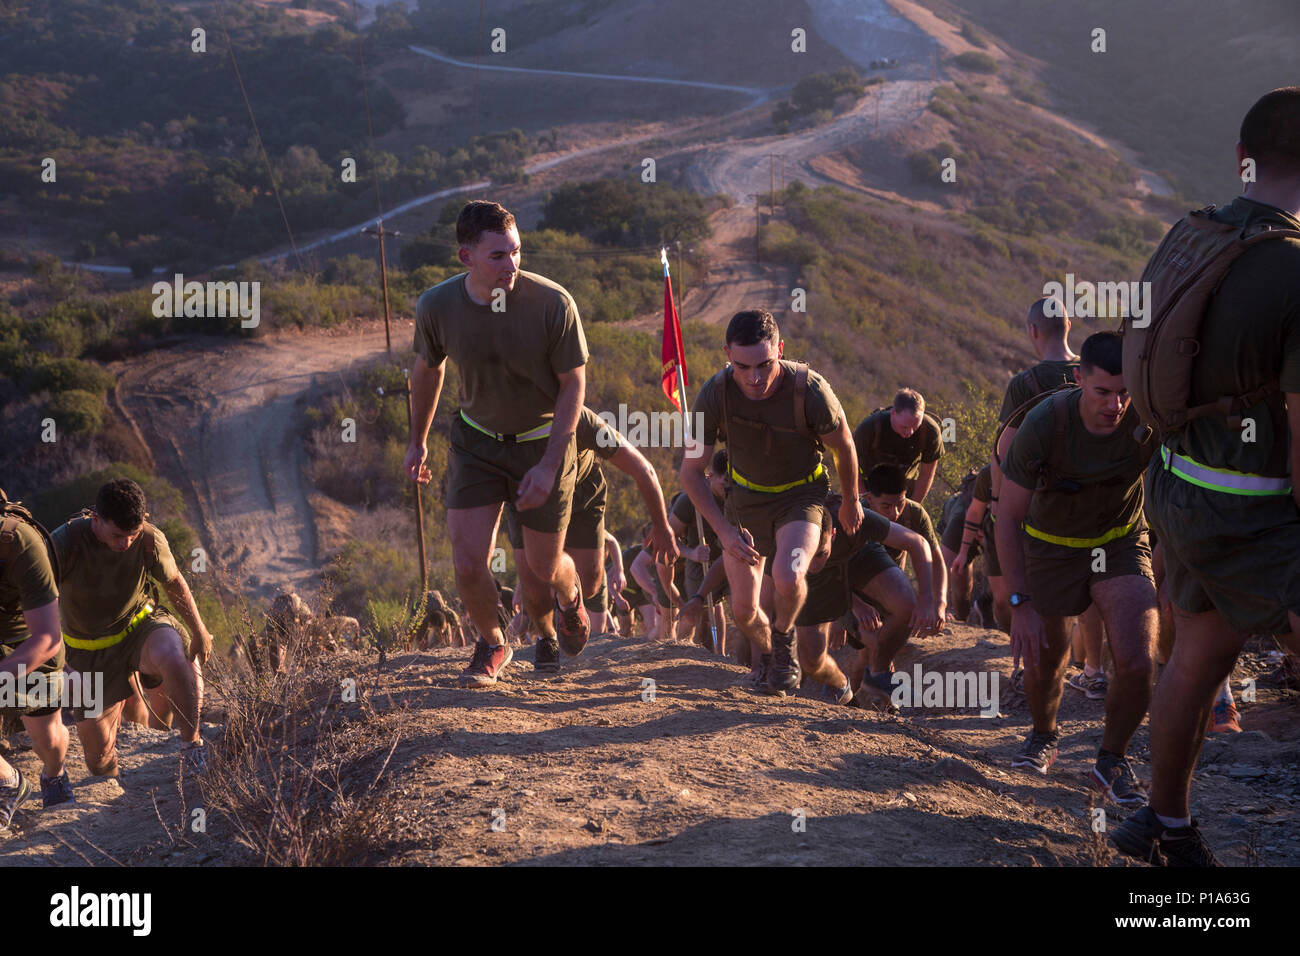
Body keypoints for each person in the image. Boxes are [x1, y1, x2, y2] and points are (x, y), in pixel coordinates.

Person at [1111, 88, 1300, 867]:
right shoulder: (1293, 268)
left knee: (1199, 655)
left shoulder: (1191, 235)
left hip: (1177, 484)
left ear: (1242, 158)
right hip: (1253, 511)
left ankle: (1167, 826)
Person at [405, 200, 591, 688]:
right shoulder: (437, 306)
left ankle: (571, 602)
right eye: (498, 256)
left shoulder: (553, 304)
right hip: (476, 444)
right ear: (466, 257)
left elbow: (573, 385)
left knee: (541, 568)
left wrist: (551, 465)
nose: (512, 265)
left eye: (516, 252)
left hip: (541, 444)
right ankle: (492, 643)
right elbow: (428, 369)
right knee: (467, 563)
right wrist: (417, 442)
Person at [997, 332, 1156, 808]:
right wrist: (1019, 603)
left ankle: (1112, 760)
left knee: (1137, 660)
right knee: (1048, 660)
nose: (1116, 404)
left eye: (1125, 392)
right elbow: (1007, 516)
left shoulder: (1148, 420)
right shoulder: (1045, 425)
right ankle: (1044, 736)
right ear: (1079, 377)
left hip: (1120, 541)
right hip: (1051, 549)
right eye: (1103, 392)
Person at [682, 310, 862, 696]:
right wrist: (724, 531)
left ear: (780, 350)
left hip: (802, 496)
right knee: (744, 611)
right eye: (742, 366)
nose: (754, 377)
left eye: (765, 364)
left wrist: (850, 501)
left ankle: (783, 640)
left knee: (789, 573)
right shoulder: (714, 394)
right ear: (727, 353)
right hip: (744, 503)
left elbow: (844, 446)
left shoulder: (809, 390)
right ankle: (772, 655)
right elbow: (691, 472)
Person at [51, 478, 212, 777]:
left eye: (132, 534)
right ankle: (115, 781)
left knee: (175, 652)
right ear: (95, 519)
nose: (125, 543)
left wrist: (199, 629)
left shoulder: (149, 538)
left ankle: (192, 746)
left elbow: (174, 581)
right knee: (98, 762)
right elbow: (37, 600)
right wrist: (56, 658)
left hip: (139, 627)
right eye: (117, 535)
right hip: (87, 653)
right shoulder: (63, 544)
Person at [502, 405, 676, 672]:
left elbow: (643, 468)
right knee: (533, 585)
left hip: (582, 495)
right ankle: (547, 638)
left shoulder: (580, 419)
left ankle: (570, 599)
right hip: (526, 494)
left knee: (592, 584)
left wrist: (662, 525)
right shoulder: (500, 419)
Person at [793, 491, 940, 706]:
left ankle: (879, 679)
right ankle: (841, 686)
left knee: (898, 612)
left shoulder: (852, 518)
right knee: (812, 661)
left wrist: (929, 599)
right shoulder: (789, 541)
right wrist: (848, 607)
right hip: (819, 587)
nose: (813, 563)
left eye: (820, 553)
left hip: (858, 559)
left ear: (833, 533)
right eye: (809, 554)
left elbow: (918, 543)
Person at [0, 489, 73, 822]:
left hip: (28, 645)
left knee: (48, 740)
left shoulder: (19, 542)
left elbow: (49, 636)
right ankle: (9, 783)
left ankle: (54, 774)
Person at [851, 464, 948, 697]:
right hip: (848, 589)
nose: (895, 513)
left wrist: (939, 603)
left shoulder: (914, 514)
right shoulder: (854, 515)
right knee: (871, 645)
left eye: (900, 503)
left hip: (886, 586)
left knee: (881, 646)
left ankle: (880, 701)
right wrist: (849, 606)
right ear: (869, 499)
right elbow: (829, 571)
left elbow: (936, 561)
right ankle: (844, 698)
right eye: (886, 506)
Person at [853, 388, 945, 503]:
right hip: (870, 489)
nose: (910, 432)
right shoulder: (869, 428)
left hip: (905, 492)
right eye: (904, 427)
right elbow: (849, 463)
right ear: (893, 414)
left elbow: (926, 474)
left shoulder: (930, 432)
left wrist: (913, 506)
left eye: (915, 427)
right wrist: (864, 500)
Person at [949, 465, 1010, 632]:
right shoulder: (988, 474)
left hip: (1024, 531)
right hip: (993, 530)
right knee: (1002, 597)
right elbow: (974, 512)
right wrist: (962, 553)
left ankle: (985, 602)